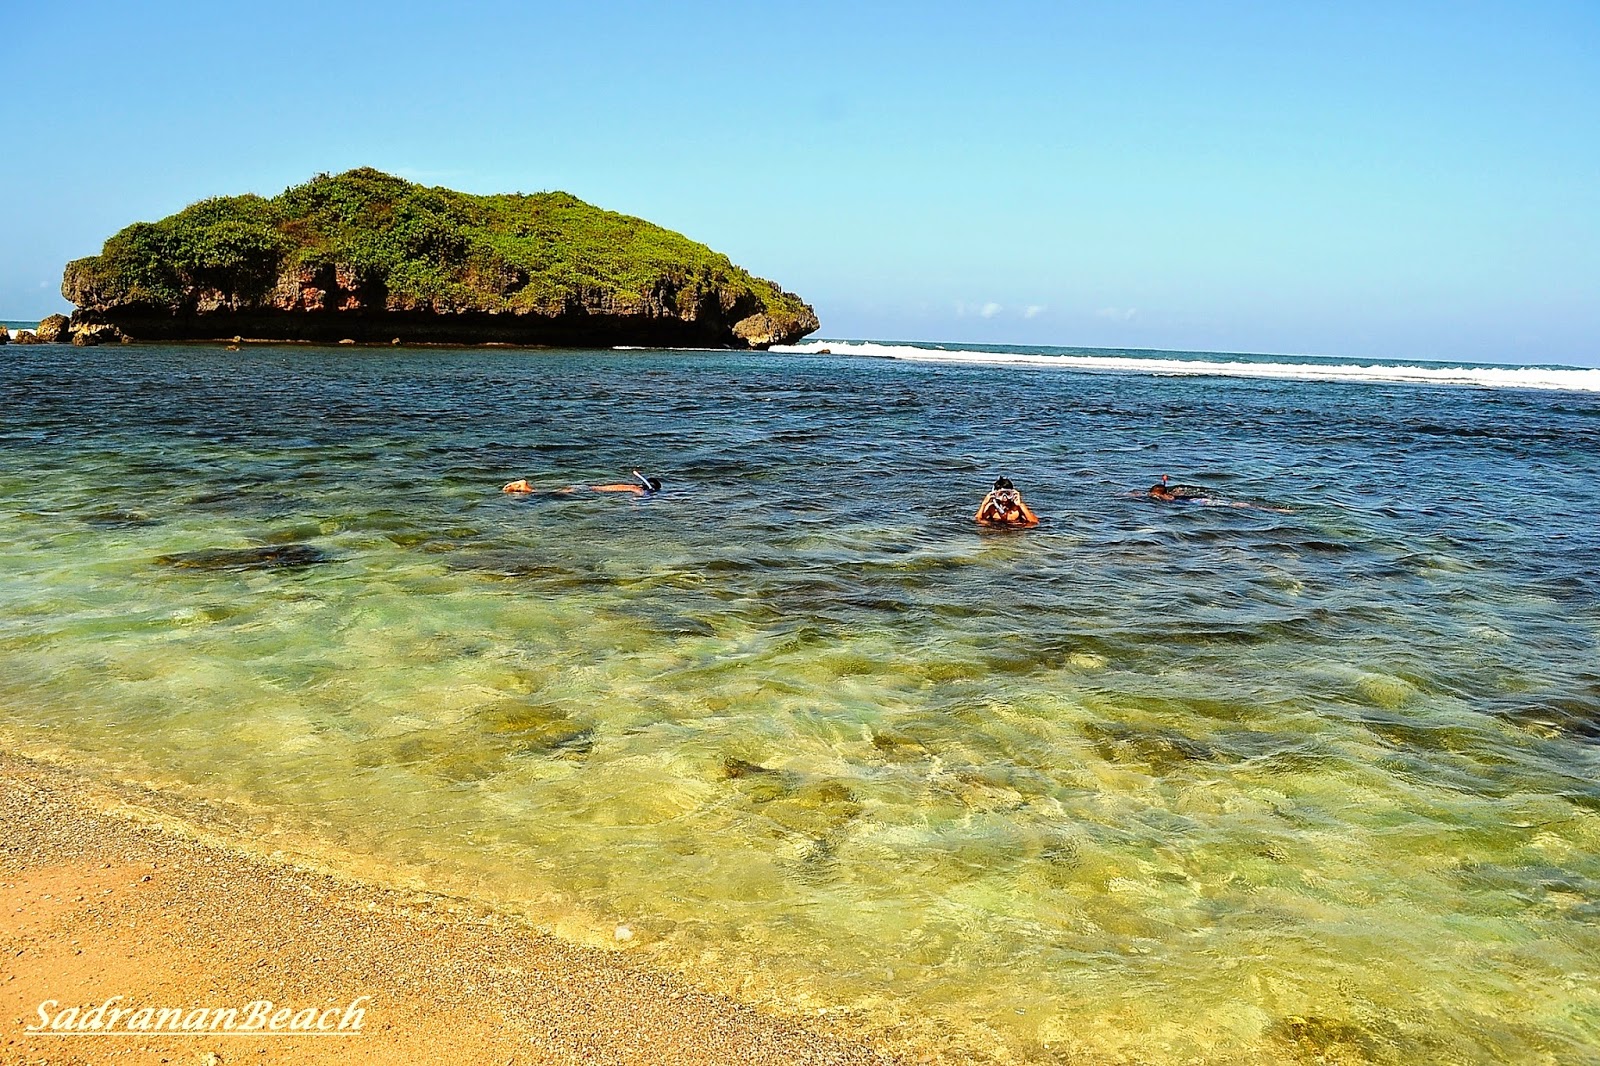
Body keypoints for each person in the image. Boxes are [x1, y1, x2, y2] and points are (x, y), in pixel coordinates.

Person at [1141, 474, 1290, 512]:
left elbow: (1153, 495)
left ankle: (1274, 509)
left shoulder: (1162, 496)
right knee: (1237, 504)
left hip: (1196, 502)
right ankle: (1274, 508)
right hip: (1196, 499)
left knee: (1236, 505)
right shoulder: (1171, 492)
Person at [504, 470, 662, 496]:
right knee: (551, 495)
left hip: (586, 487)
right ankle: (526, 488)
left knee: (556, 492)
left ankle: (526, 489)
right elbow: (640, 495)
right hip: (586, 492)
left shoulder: (629, 485)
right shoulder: (637, 489)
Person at [975, 477, 1040, 528]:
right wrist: (984, 504)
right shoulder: (991, 508)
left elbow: (1034, 522)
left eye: (1008, 494)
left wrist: (1020, 505)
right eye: (1000, 494)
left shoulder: (1018, 508)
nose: (1005, 498)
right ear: (995, 495)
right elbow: (978, 521)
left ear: (1013, 494)